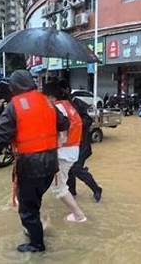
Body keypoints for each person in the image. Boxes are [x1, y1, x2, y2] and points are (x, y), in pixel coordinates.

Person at [0, 70, 69, 253]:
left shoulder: (14, 106)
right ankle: (36, 230)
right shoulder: (47, 101)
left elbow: (0, 137)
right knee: (34, 201)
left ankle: (37, 244)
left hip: (30, 166)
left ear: (14, 87)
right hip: (51, 165)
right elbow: (64, 123)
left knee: (27, 208)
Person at [43, 82, 87, 222]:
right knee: (50, 181)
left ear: (50, 96)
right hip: (72, 150)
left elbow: (58, 131)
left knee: (59, 188)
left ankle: (79, 215)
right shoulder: (68, 105)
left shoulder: (56, 108)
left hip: (62, 153)